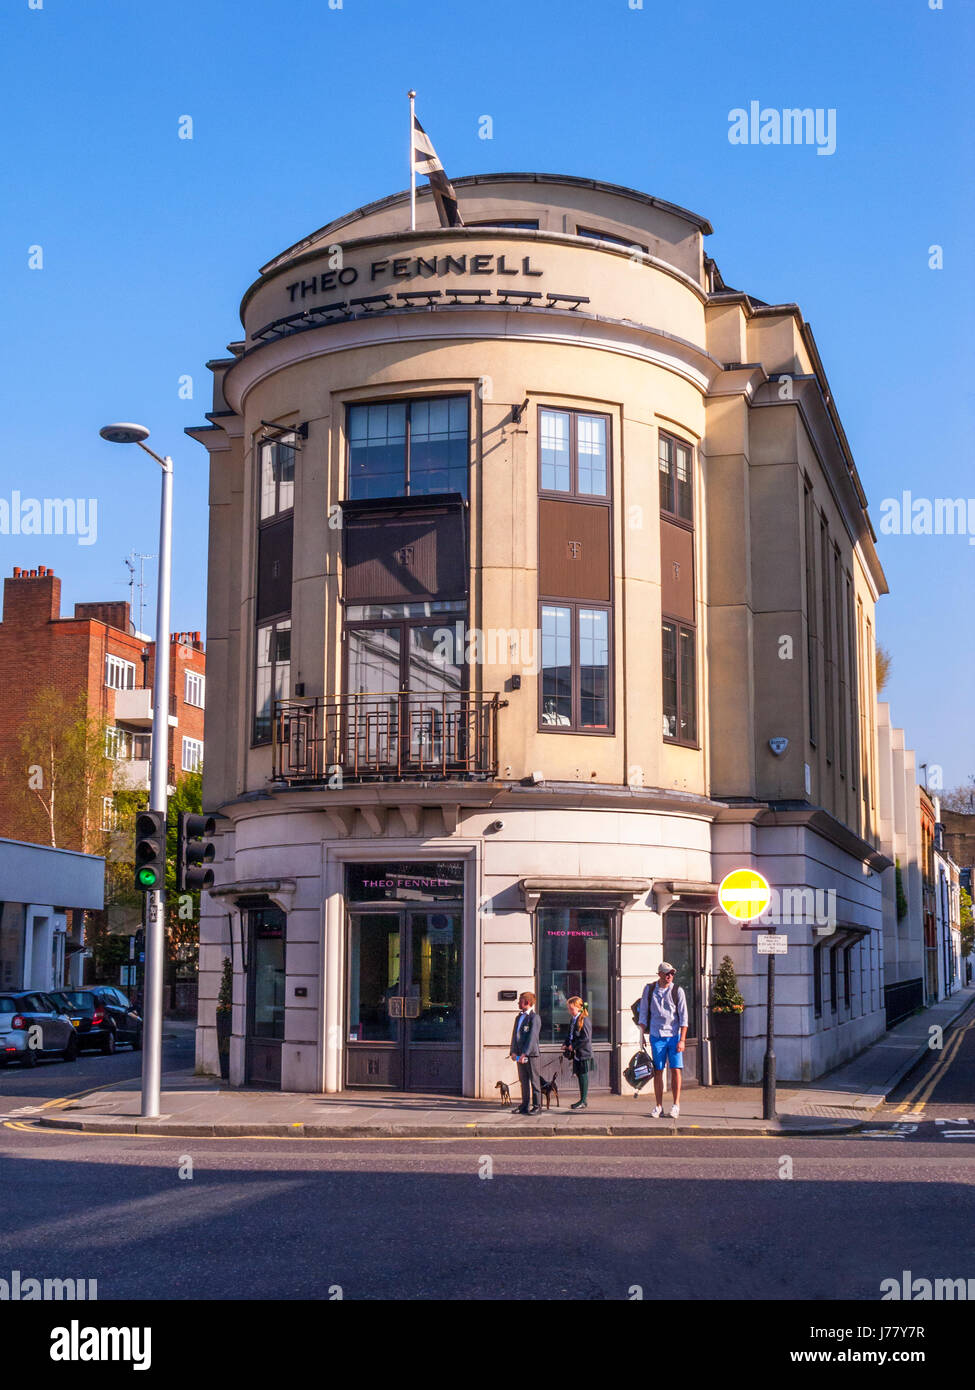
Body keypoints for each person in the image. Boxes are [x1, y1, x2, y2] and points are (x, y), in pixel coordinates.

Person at [638, 962, 688, 1118]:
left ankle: (676, 1105)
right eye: (667, 973)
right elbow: (643, 1013)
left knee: (675, 1070)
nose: (670, 976)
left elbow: (684, 1017)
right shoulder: (649, 989)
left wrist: (682, 1040)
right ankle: (658, 1106)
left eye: (672, 974)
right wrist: (642, 1036)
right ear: (659, 974)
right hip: (656, 1036)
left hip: (674, 1036)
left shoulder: (677, 991)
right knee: (658, 1071)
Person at [509, 991, 542, 1114]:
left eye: (520, 1001)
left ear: (527, 1002)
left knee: (534, 1080)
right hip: (519, 1055)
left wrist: (525, 1053)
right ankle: (525, 1105)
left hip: (531, 1055)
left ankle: (537, 1106)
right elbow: (514, 1035)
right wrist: (513, 1051)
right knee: (523, 1081)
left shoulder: (534, 1018)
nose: (518, 1002)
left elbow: (532, 1037)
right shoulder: (518, 1017)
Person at [562, 995, 594, 1109]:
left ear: (579, 1008)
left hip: (584, 1053)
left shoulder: (584, 1020)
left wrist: (573, 1046)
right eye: (569, 1008)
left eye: (572, 1008)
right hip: (576, 1053)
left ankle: (583, 1101)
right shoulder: (573, 1019)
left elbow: (586, 1038)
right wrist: (566, 1044)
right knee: (579, 1075)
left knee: (583, 1076)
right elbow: (570, 1034)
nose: (570, 1011)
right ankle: (582, 1100)